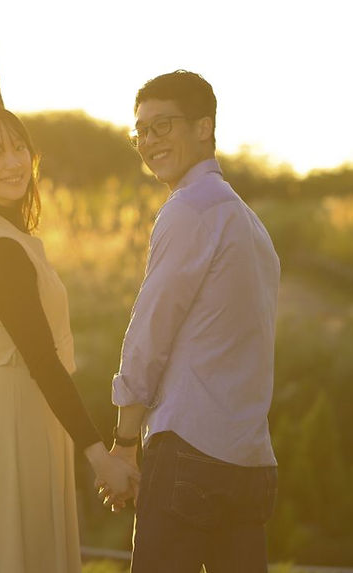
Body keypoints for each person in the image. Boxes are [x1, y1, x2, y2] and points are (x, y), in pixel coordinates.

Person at [0, 31, 139, 573]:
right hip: (17, 417)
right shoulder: (1, 252)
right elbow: (43, 362)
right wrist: (100, 457)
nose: (14, 161)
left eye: (19, 146)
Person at [102, 70, 280, 572]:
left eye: (163, 126)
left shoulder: (189, 211)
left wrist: (124, 442)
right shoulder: (250, 223)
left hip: (189, 454)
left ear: (204, 127)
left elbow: (150, 334)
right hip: (249, 462)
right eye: (141, 131)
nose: (149, 141)